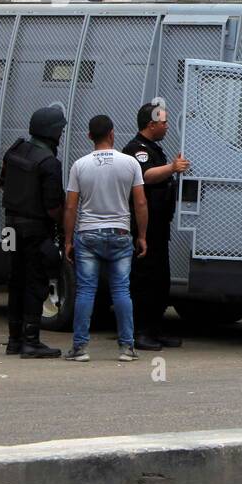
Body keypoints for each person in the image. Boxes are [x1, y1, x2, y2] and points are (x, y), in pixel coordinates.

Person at [63, 114, 148, 362]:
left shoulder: (79, 165)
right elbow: (140, 202)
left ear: (90, 136)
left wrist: (68, 240)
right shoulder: (130, 163)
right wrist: (142, 235)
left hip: (87, 234)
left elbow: (70, 207)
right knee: (121, 290)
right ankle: (127, 347)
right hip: (121, 233)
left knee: (86, 291)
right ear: (112, 134)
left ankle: (80, 348)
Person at [0, 105, 67, 359]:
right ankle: (31, 341)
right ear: (51, 132)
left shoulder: (14, 151)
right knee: (35, 283)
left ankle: (14, 340)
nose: (61, 134)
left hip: (10, 229)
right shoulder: (49, 163)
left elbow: (1, 183)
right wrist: (65, 224)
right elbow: (52, 208)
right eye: (59, 130)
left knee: (15, 281)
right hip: (35, 231)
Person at [122, 101, 190, 351]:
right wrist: (172, 168)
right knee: (144, 280)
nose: (167, 126)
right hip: (144, 229)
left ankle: (155, 330)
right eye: (163, 122)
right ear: (151, 125)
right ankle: (140, 332)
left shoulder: (154, 148)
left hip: (159, 227)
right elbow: (145, 175)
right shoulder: (136, 149)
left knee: (160, 281)